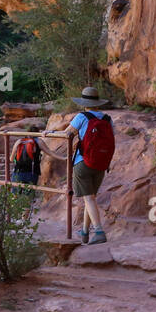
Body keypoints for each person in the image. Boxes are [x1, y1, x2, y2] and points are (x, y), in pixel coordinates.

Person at [59, 86, 115, 244]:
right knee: (90, 198)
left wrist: (47, 133)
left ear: (84, 103)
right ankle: (84, 232)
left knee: (89, 198)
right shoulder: (107, 119)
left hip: (82, 162)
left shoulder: (82, 116)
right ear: (98, 103)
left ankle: (99, 230)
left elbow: (67, 134)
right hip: (101, 163)